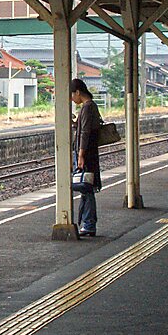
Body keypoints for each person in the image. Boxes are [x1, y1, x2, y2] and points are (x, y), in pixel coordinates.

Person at [71, 78, 102, 237]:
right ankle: (87, 222)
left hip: (86, 154)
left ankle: (89, 223)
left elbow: (85, 133)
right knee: (85, 188)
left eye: (72, 95)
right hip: (88, 153)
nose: (72, 99)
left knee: (86, 188)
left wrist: (81, 155)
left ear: (78, 92)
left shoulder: (88, 107)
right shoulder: (90, 107)